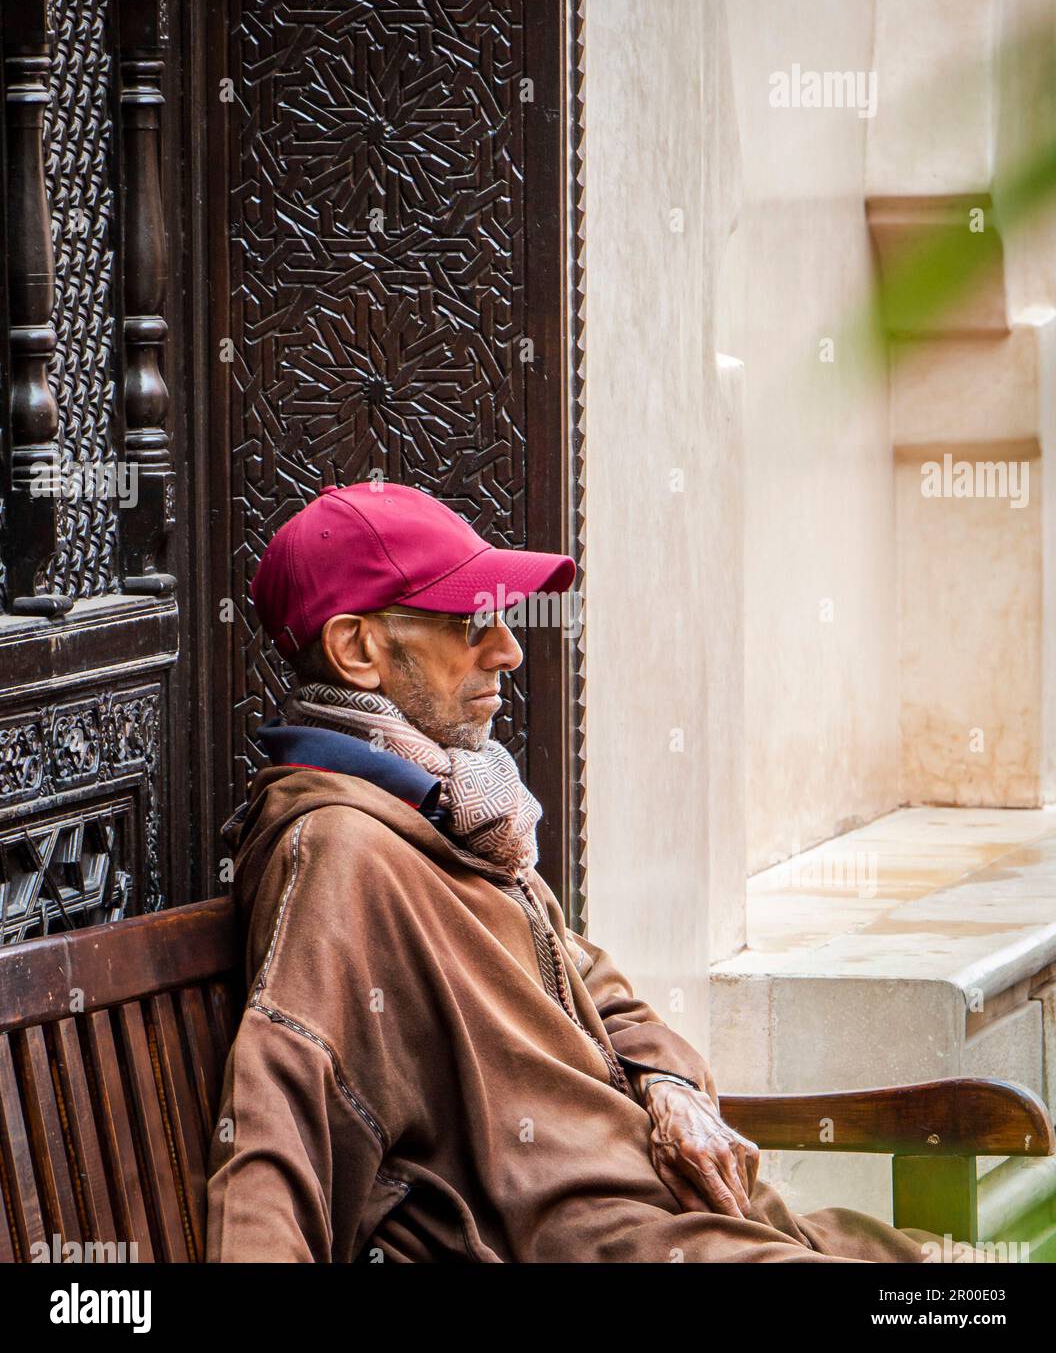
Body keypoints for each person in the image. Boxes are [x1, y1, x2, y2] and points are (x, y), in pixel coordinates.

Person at [206, 481, 966, 1263]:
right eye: (472, 621)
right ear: (357, 649)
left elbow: (598, 990)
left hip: (697, 1215)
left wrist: (670, 1088)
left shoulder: (446, 814)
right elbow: (282, 1106)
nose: (507, 647)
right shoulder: (340, 848)